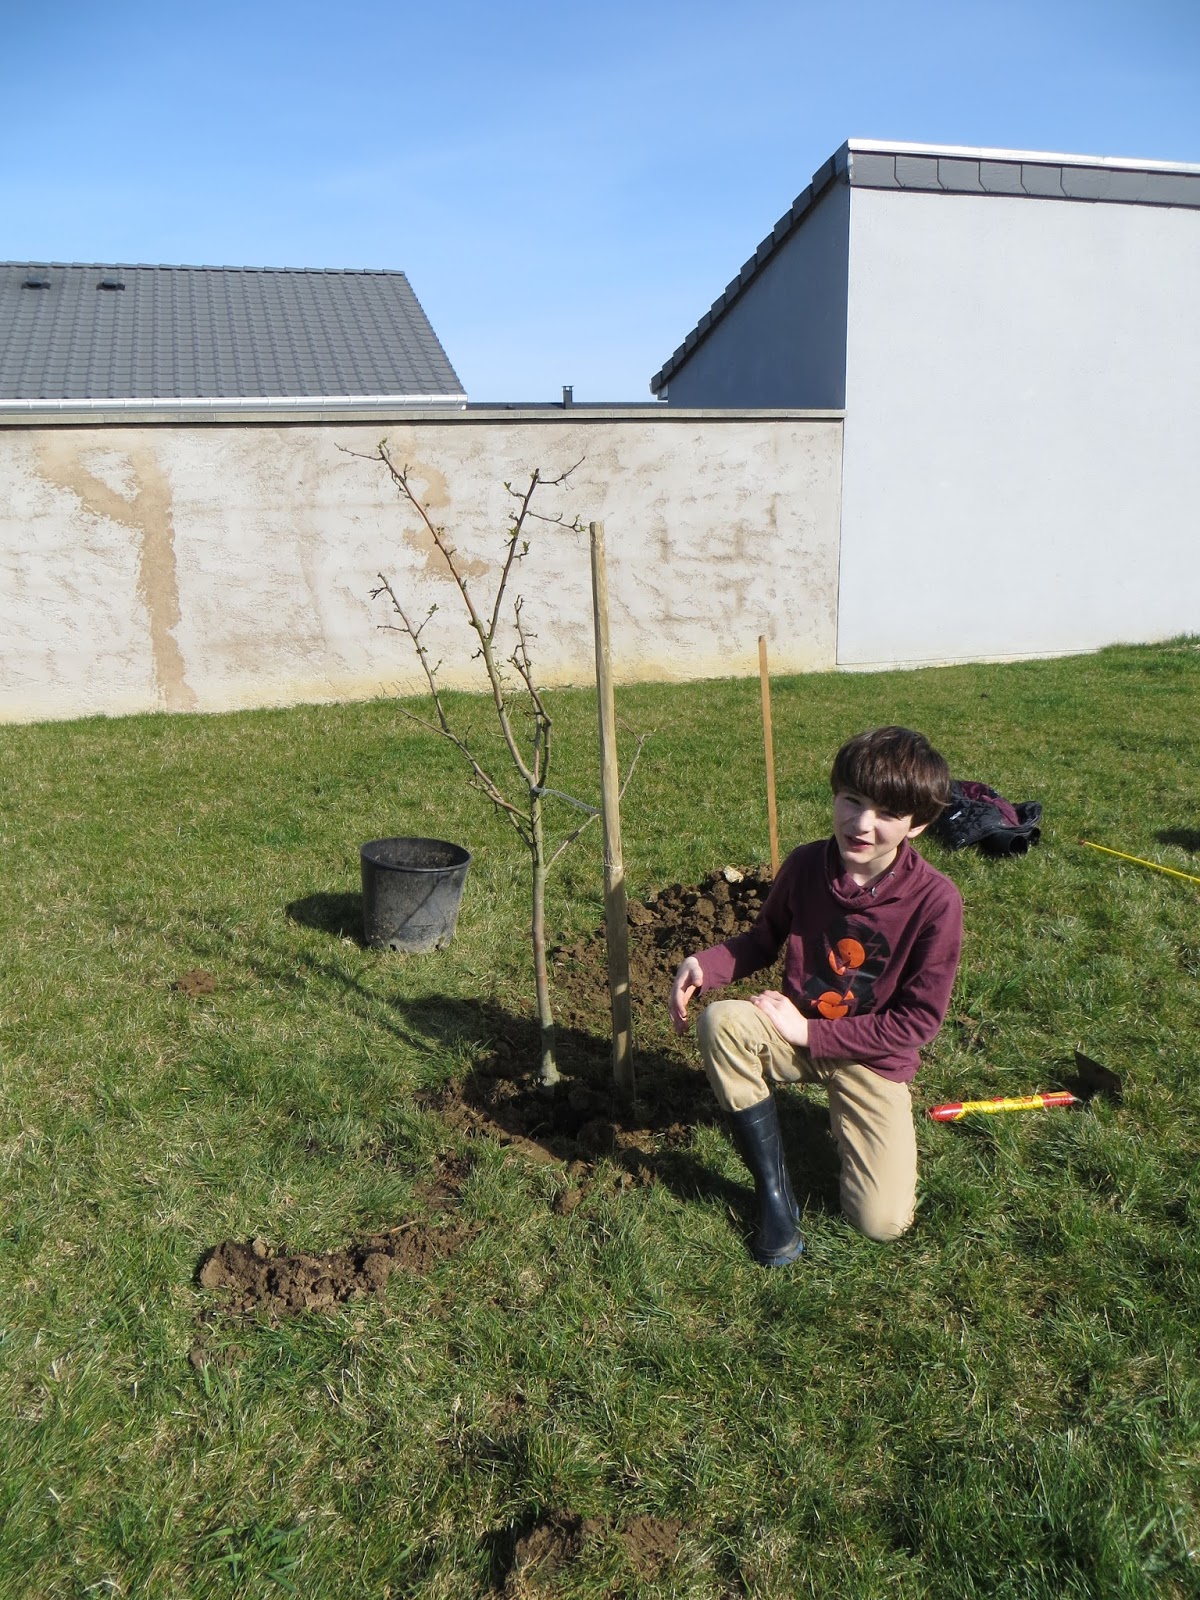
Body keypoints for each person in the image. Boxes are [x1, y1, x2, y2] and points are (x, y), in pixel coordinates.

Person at [669, 726, 962, 1264]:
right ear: (834, 795)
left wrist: (810, 1031)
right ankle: (774, 1195)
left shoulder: (936, 902)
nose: (862, 823)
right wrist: (704, 966)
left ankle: (852, 1115)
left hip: (871, 1057)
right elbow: (763, 939)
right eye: (852, 800)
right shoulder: (806, 866)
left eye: (887, 812)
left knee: (882, 1224)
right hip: (794, 1033)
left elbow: (917, 1022)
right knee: (722, 1023)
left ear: (917, 824)